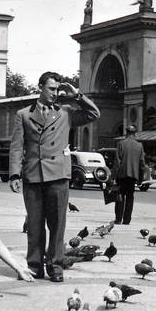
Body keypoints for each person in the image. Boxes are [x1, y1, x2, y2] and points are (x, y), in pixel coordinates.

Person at [9, 71, 100, 282]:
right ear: (40, 87)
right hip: (33, 176)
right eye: (51, 89)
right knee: (34, 225)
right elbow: (16, 147)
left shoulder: (65, 112)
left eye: (58, 90)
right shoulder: (23, 114)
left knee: (57, 225)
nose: (55, 93)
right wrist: (14, 174)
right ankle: (34, 266)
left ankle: (55, 266)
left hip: (58, 176)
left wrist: (77, 95)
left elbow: (94, 114)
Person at [113, 125, 146, 225]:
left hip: (122, 175)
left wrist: (113, 177)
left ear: (126, 133)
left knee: (120, 196)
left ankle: (118, 219)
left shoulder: (121, 144)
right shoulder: (139, 146)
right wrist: (141, 178)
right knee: (130, 197)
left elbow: (117, 162)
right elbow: (142, 164)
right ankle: (127, 220)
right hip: (133, 177)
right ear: (135, 134)